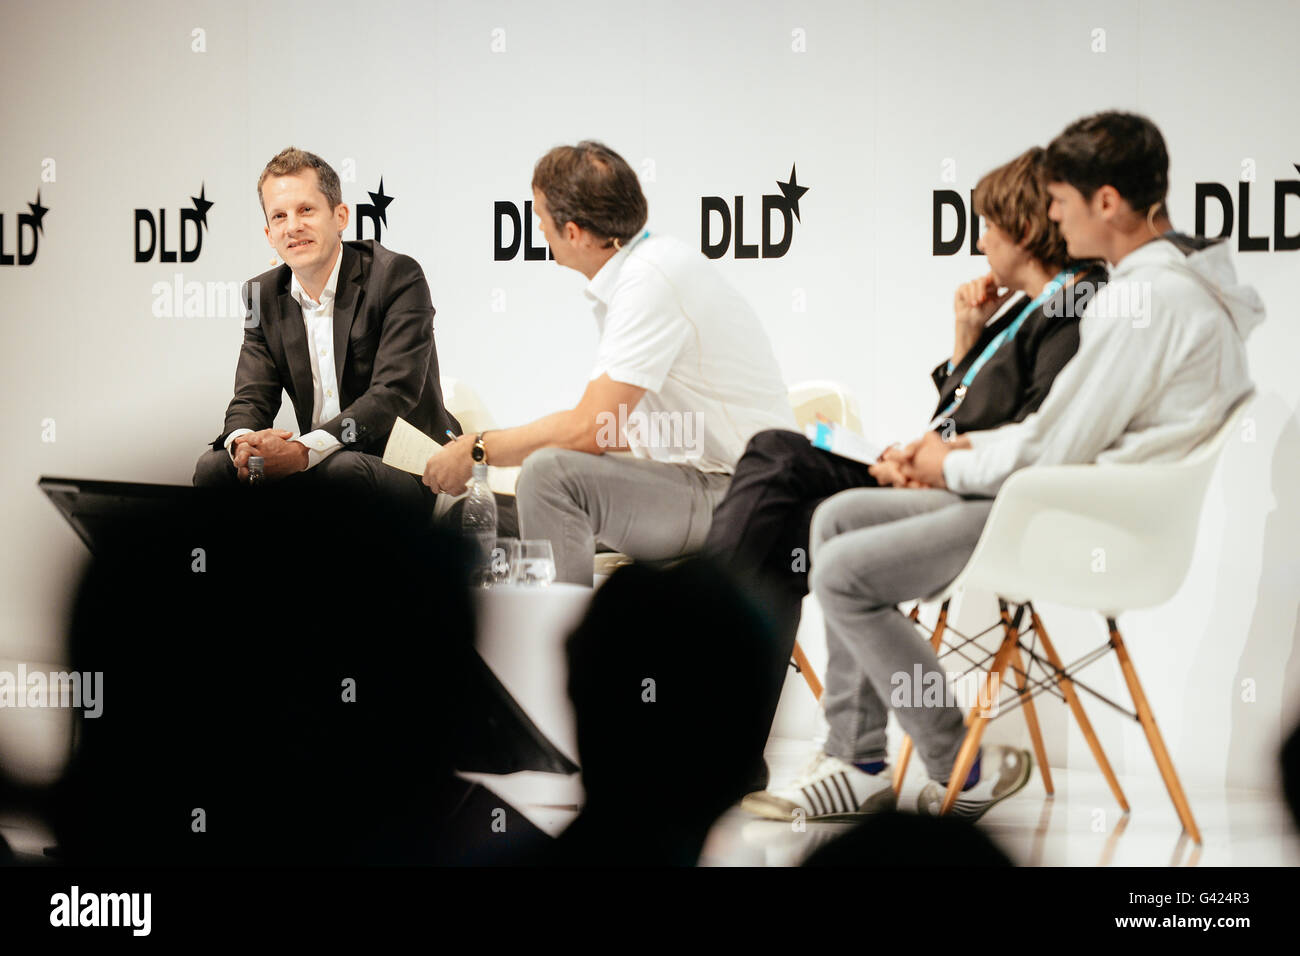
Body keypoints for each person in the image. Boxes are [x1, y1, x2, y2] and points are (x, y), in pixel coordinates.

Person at [745, 111, 1262, 824]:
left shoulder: (1145, 300)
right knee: (837, 516)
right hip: (1066, 499)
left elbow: (1055, 446)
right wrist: (951, 454)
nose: (1051, 216)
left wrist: (949, 463)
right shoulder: (1163, 289)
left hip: (1071, 516)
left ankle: (961, 764)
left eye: (1060, 201)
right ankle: (856, 758)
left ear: (1105, 202)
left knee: (842, 572)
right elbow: (1058, 434)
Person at [705, 147, 1106, 789]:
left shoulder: (1073, 306)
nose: (979, 243)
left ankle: (725, 637)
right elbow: (962, 419)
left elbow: (1038, 438)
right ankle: (847, 751)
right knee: (797, 497)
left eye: (987, 228)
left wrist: (933, 466)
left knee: (786, 475)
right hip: (947, 480)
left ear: (1024, 231)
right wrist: (964, 341)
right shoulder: (1018, 311)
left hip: (995, 502)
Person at [421, 141, 795, 585]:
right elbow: (610, 431)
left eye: (540, 215)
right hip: (714, 483)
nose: (537, 226)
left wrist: (478, 448)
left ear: (574, 232)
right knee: (516, 495)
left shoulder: (649, 281)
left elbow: (590, 427)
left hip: (742, 495)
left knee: (548, 476)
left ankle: (563, 645)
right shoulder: (646, 269)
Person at [192, 147, 462, 531]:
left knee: (343, 470)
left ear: (340, 216)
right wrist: (243, 443)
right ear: (269, 234)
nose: (293, 226)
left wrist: (302, 450)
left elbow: (393, 392)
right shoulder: (262, 295)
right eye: (279, 216)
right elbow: (251, 396)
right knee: (214, 467)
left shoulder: (396, 277)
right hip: (320, 466)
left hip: (406, 470)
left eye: (306, 210)